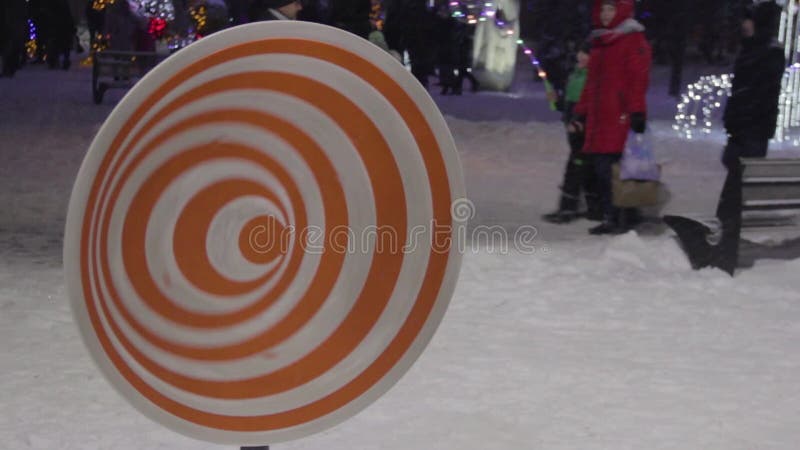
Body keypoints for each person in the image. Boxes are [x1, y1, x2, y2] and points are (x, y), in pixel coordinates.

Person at [715, 0, 785, 268]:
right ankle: (725, 227)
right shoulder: (760, 50)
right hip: (747, 128)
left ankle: (726, 232)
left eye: (749, 20)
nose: (744, 24)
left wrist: (737, 118)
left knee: (739, 180)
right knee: (736, 177)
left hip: (750, 128)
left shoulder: (764, 53)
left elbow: (754, 95)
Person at [572, 0, 651, 235]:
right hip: (600, 117)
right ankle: (614, 215)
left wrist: (637, 111)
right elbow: (591, 83)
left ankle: (621, 216)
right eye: (603, 9)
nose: (606, 14)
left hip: (620, 116)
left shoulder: (632, 39)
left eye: (611, 9)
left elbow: (637, 80)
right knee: (603, 168)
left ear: (622, 10)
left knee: (613, 169)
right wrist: (581, 111)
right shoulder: (600, 41)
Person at [542, 42, 599, 224]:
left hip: (583, 128)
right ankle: (593, 207)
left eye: (587, 54)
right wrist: (557, 102)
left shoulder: (594, 77)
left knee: (575, 166)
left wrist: (580, 122)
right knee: (585, 166)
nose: (582, 57)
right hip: (572, 126)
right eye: (581, 53)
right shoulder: (575, 74)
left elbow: (591, 105)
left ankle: (568, 208)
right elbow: (570, 103)